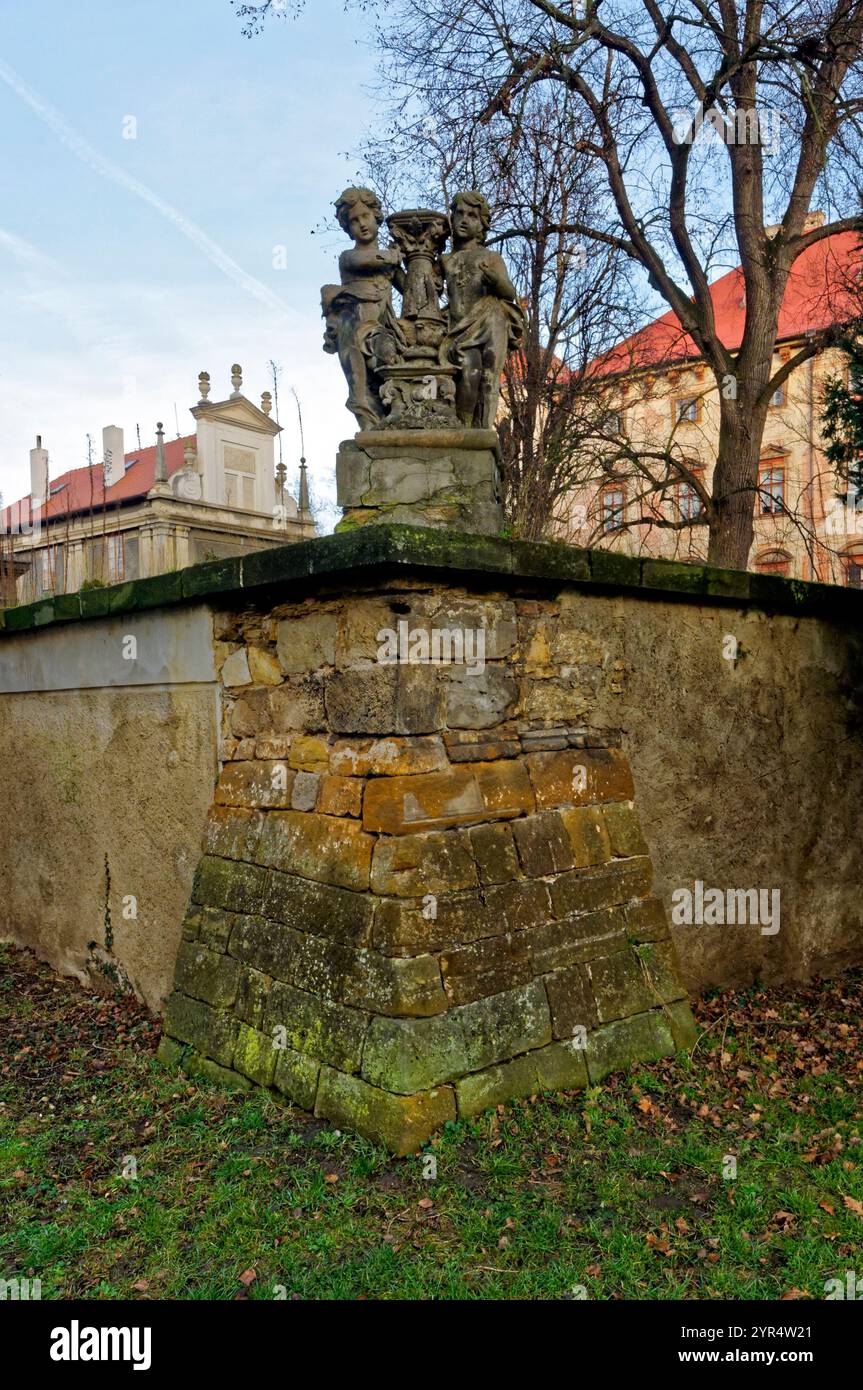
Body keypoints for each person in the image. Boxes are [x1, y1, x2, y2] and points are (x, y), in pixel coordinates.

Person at [321, 187, 405, 430]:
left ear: (376, 216)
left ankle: (392, 422)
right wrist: (394, 255)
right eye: (354, 221)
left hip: (382, 329)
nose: (362, 225)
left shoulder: (390, 263)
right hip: (353, 332)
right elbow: (367, 260)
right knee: (361, 390)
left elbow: (409, 288)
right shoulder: (349, 258)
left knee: (386, 367)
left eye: (365, 217)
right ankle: (372, 433)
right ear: (348, 228)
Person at [441, 190, 525, 429]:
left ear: (482, 224)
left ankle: (484, 430)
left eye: (472, 215)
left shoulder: (490, 257)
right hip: (460, 328)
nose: (464, 220)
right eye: (460, 214)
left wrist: (496, 281)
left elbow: (509, 292)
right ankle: (464, 427)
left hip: (491, 319)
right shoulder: (447, 260)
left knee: (490, 378)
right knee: (470, 374)